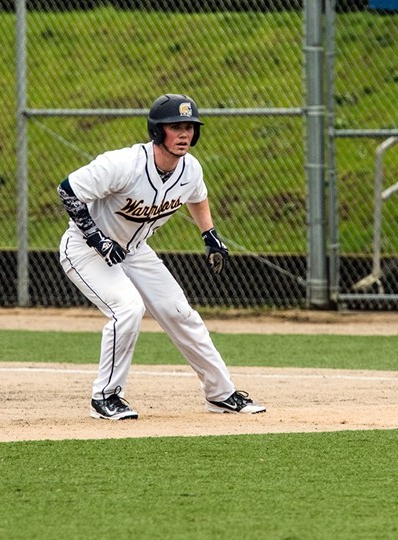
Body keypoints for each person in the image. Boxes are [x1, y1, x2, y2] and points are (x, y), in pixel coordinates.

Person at [57, 93, 266, 420]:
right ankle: (106, 397)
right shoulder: (123, 165)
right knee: (127, 308)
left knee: (180, 312)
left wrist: (209, 235)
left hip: (134, 250)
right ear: (158, 131)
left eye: (190, 127)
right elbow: (68, 189)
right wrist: (97, 239)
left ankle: (220, 394)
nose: (184, 134)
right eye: (176, 127)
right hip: (85, 250)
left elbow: (198, 196)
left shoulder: (189, 169)